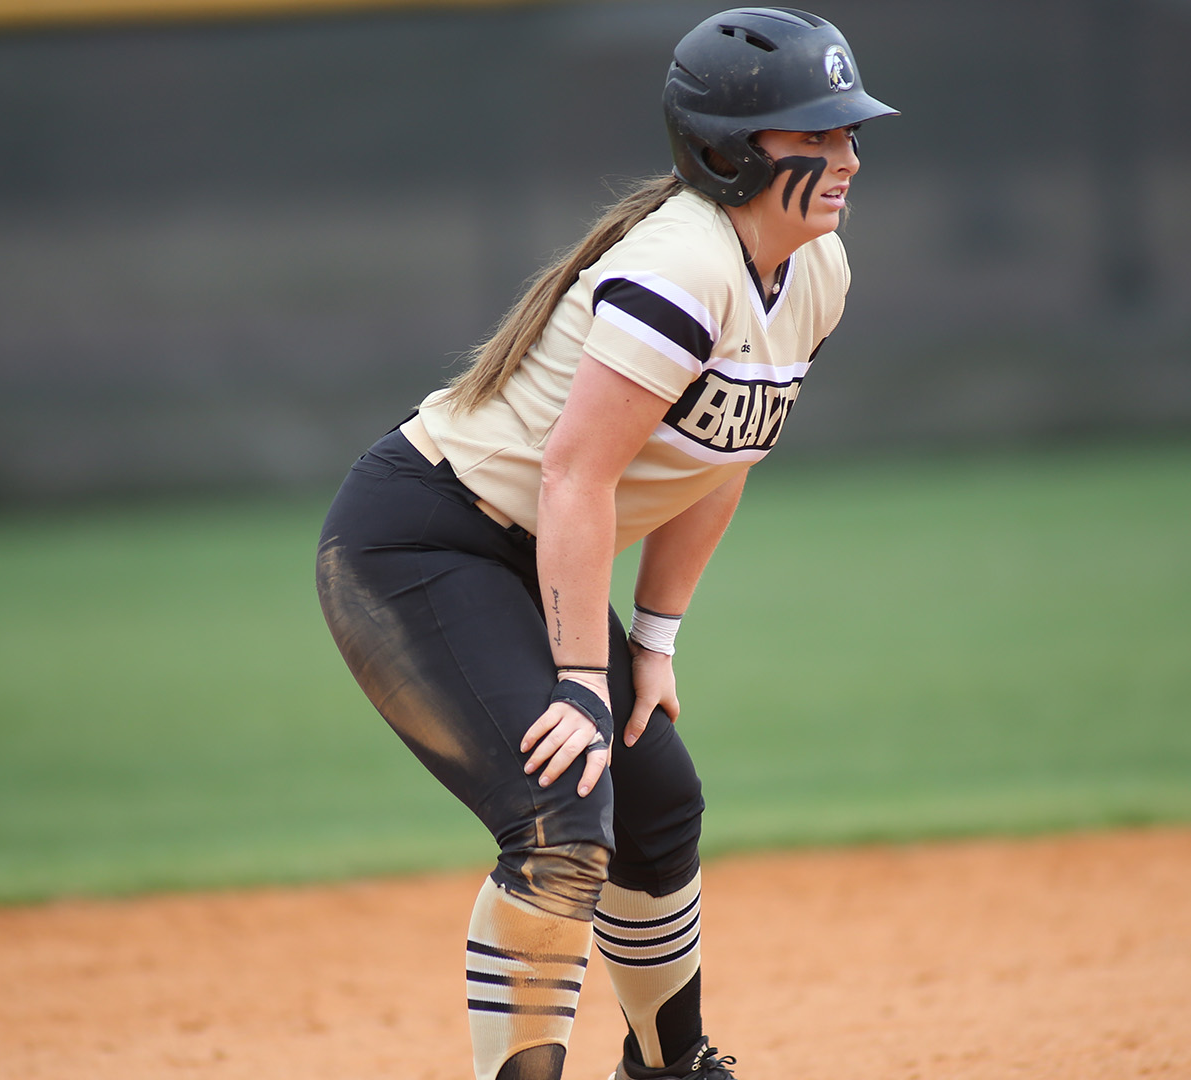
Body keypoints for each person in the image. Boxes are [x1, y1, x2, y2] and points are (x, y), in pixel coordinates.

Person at [315, 9, 897, 1079]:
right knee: (561, 814)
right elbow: (573, 472)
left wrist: (658, 641)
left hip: (530, 553)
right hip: (421, 544)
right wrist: (586, 678)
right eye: (817, 137)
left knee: (660, 799)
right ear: (730, 153)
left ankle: (671, 1067)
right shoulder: (681, 267)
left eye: (849, 133)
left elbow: (720, 461)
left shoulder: (816, 274)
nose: (847, 157)